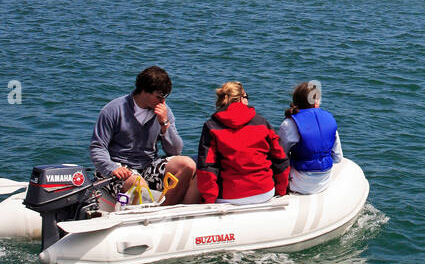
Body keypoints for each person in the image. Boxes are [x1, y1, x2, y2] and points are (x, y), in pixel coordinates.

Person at [89, 66, 199, 204]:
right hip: (119, 168)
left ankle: (165, 209)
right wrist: (113, 168)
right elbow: (97, 147)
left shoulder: (164, 111)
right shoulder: (113, 110)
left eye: (165, 98)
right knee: (137, 183)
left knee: (188, 165)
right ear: (144, 91)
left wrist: (164, 124)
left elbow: (175, 151)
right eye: (159, 97)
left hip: (148, 165)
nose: (162, 102)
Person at [195, 81, 290, 205]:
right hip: (264, 192)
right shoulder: (262, 123)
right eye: (246, 97)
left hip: (229, 195)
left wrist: (209, 201)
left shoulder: (211, 126)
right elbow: (280, 160)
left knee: (195, 168)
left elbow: (207, 168)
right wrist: (281, 191)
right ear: (241, 98)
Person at [278, 81, 342, 195]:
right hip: (324, 181)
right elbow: (337, 158)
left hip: (299, 183)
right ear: (316, 102)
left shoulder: (289, 124)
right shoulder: (330, 119)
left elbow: (281, 157)